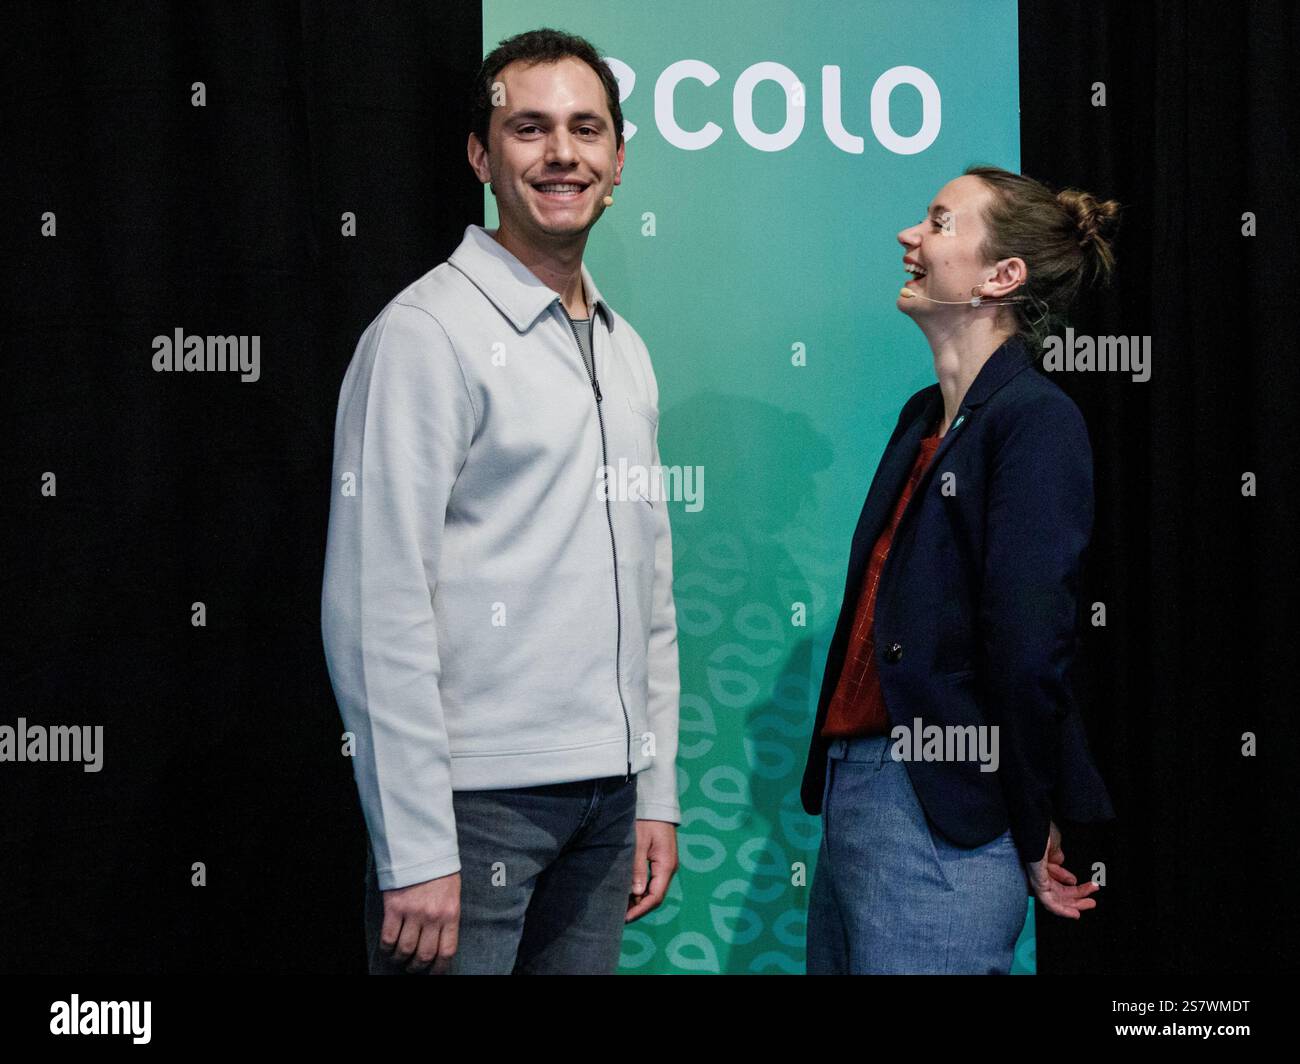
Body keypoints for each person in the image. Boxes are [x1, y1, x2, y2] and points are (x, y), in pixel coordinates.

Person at [321, 28, 681, 975]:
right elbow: (373, 604)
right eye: (530, 127)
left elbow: (651, 593)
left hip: (608, 808)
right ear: (482, 157)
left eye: (586, 129)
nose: (562, 152)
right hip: (470, 815)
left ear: (617, 163)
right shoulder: (422, 336)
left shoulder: (627, 349)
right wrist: (415, 845)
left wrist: (654, 789)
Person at [800, 165, 1121, 974]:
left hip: (941, 809)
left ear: (1001, 277)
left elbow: (1027, 644)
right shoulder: (922, 417)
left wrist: (1029, 805)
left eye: (940, 223)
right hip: (859, 797)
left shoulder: (1037, 422)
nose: (911, 236)